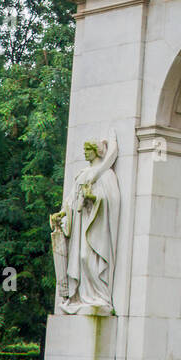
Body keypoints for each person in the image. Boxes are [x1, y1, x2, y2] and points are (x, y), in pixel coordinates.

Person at [50, 133, 120, 314]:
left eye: (87, 150)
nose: (84, 153)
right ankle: (79, 296)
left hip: (95, 224)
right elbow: (71, 200)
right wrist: (62, 214)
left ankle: (99, 295)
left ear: (96, 151)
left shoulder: (106, 174)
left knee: (86, 257)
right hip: (80, 225)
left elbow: (112, 199)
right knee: (79, 258)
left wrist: (93, 198)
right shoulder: (82, 174)